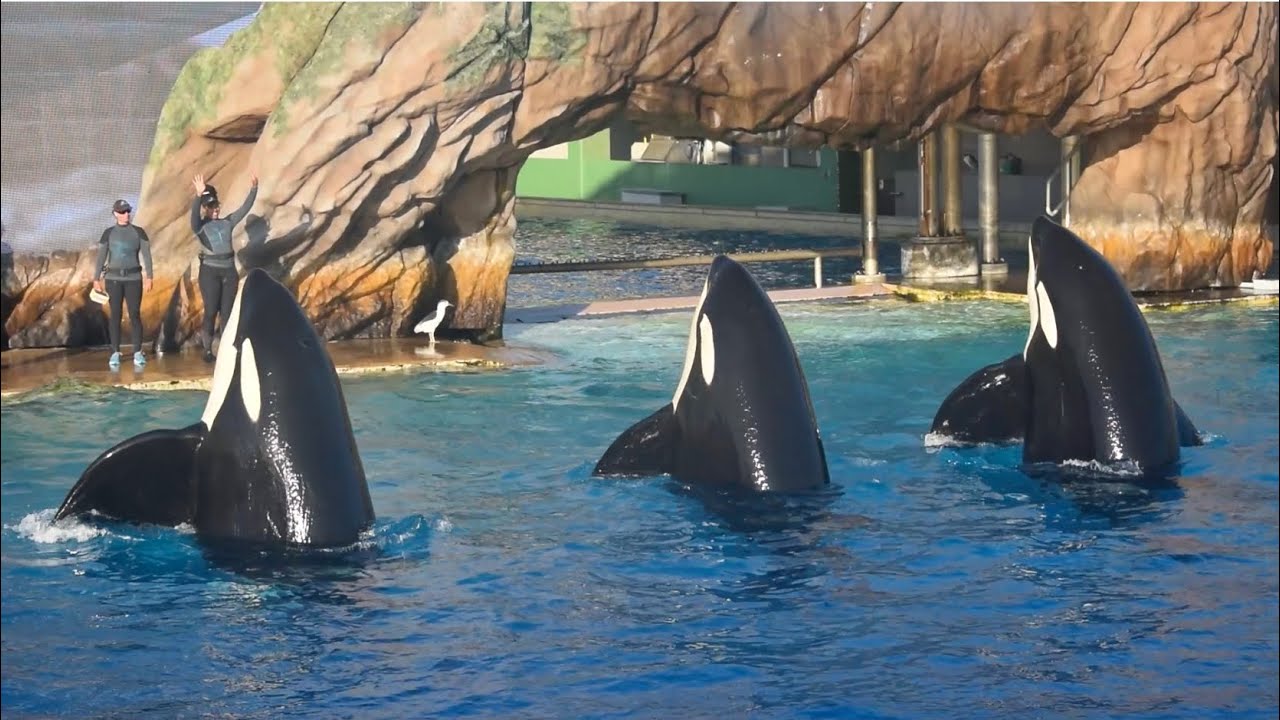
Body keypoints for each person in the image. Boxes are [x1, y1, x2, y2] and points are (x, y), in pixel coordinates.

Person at [191, 171, 257, 363]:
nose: (216, 209)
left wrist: (254, 189)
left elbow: (245, 208)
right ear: (205, 208)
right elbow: (193, 217)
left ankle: (227, 348)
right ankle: (207, 350)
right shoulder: (200, 226)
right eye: (211, 207)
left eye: (217, 205)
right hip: (210, 272)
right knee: (211, 310)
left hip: (228, 271)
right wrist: (198, 195)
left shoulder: (228, 222)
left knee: (227, 312)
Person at [93, 199, 153, 369]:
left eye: (127, 211)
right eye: (121, 211)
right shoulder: (108, 233)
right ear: (115, 214)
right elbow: (101, 257)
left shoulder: (139, 232)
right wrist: (96, 278)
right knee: (115, 315)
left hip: (134, 279)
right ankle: (114, 352)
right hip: (113, 279)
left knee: (134, 314)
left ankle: (137, 351)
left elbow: (147, 255)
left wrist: (149, 276)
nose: (125, 214)